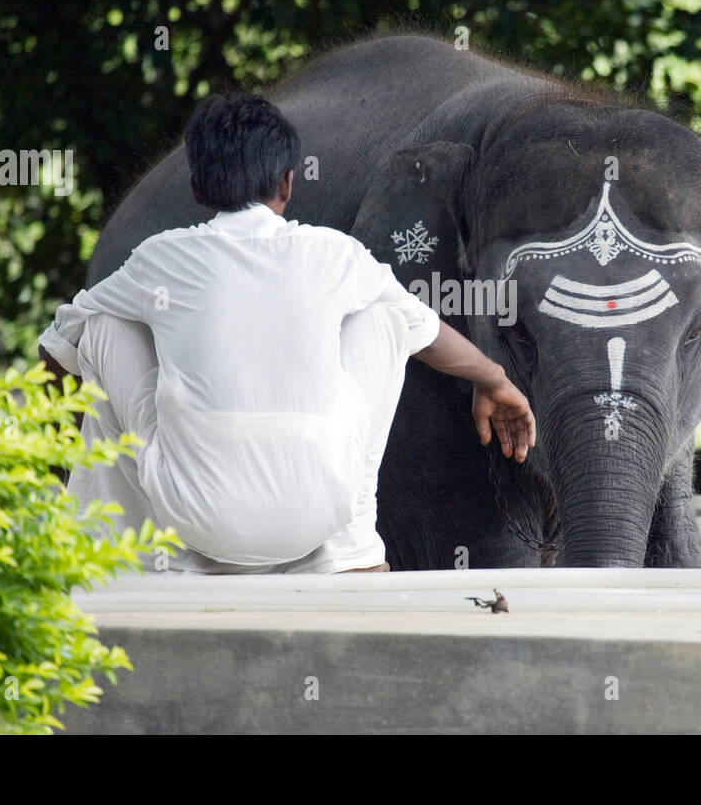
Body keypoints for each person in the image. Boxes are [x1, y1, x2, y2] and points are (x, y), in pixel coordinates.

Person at [37, 91, 535, 574]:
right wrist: (493, 380)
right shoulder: (334, 255)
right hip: (321, 513)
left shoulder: (161, 259)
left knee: (99, 325)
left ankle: (131, 556)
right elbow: (427, 332)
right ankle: (353, 551)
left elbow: (64, 340)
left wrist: (39, 448)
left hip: (194, 520)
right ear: (287, 183)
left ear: (196, 187)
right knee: (387, 318)